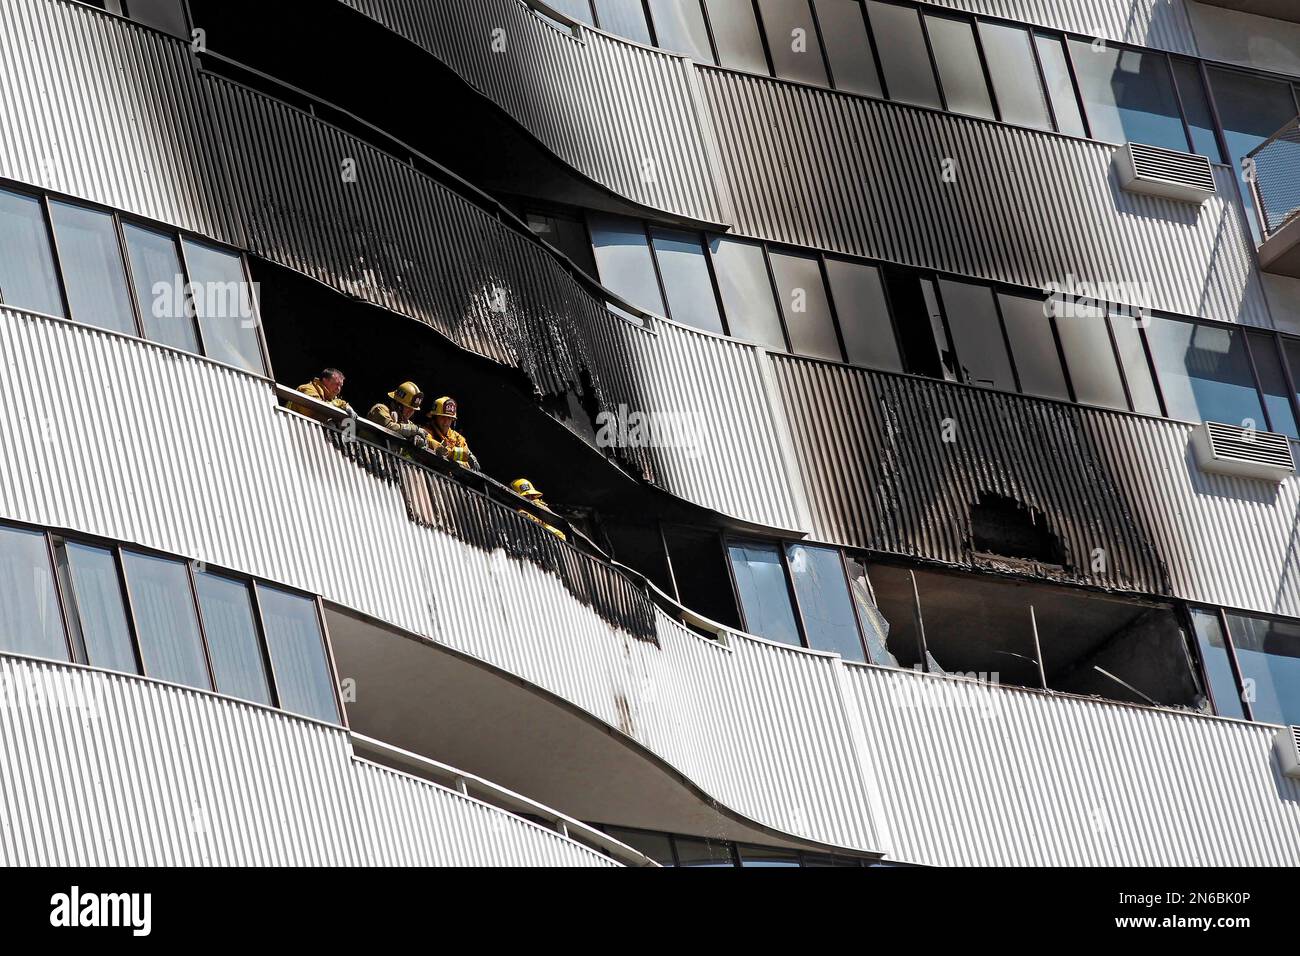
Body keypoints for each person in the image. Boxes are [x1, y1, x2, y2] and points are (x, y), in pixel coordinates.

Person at [424, 396, 480, 470]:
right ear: (435, 417)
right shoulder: (426, 432)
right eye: (443, 417)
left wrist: (457, 457)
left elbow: (468, 460)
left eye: (449, 418)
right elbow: (434, 445)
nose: (446, 422)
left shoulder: (458, 438)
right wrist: (455, 455)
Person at [368, 381, 428, 446]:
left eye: (413, 410)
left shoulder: (405, 422)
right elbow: (389, 428)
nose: (411, 412)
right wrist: (414, 430)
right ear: (398, 404)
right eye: (408, 408)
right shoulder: (379, 409)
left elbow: (421, 435)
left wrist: (418, 438)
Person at [289, 367, 354, 419]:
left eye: (340, 386)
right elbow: (314, 412)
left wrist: (345, 406)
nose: (338, 389)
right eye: (336, 384)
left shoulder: (331, 398)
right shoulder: (306, 389)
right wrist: (338, 404)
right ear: (324, 380)